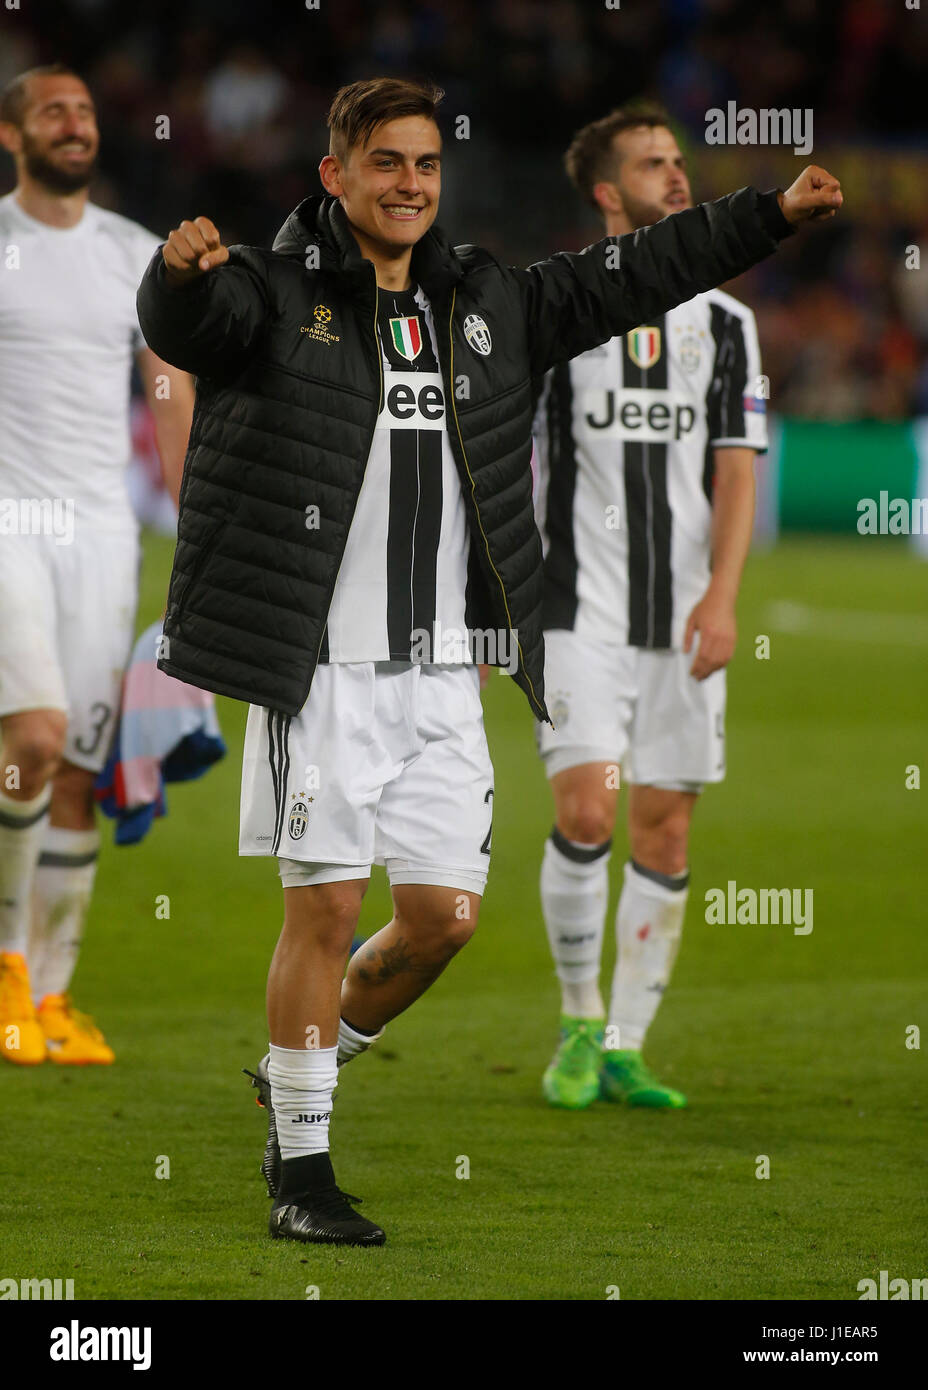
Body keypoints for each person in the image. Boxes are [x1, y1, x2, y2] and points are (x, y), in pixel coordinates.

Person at [136, 76, 841, 1246]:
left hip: (443, 669)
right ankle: (301, 1171)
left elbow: (636, 273)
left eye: (425, 165)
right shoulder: (275, 290)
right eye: (385, 165)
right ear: (336, 176)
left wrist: (766, 215)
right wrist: (179, 275)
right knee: (321, 911)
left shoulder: (488, 304)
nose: (410, 185)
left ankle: (298, 1066)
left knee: (445, 918)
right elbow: (187, 331)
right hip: (324, 666)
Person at [534, 103, 770, 1110]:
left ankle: (628, 1042)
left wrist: (724, 597)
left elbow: (733, 470)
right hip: (573, 605)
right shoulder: (555, 308)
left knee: (664, 833)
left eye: (678, 162)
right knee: (587, 808)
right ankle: (579, 1018)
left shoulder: (726, 324)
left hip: (682, 613)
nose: (676, 178)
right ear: (605, 191)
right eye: (651, 165)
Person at [0, 65, 194, 1066]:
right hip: (7, 523)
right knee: (27, 740)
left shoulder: (133, 252)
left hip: (103, 534)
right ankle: (6, 969)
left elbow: (166, 393)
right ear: (11, 132)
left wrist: (191, 519)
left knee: (77, 768)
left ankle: (56, 992)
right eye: (51, 112)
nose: (74, 125)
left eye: (82, 111)